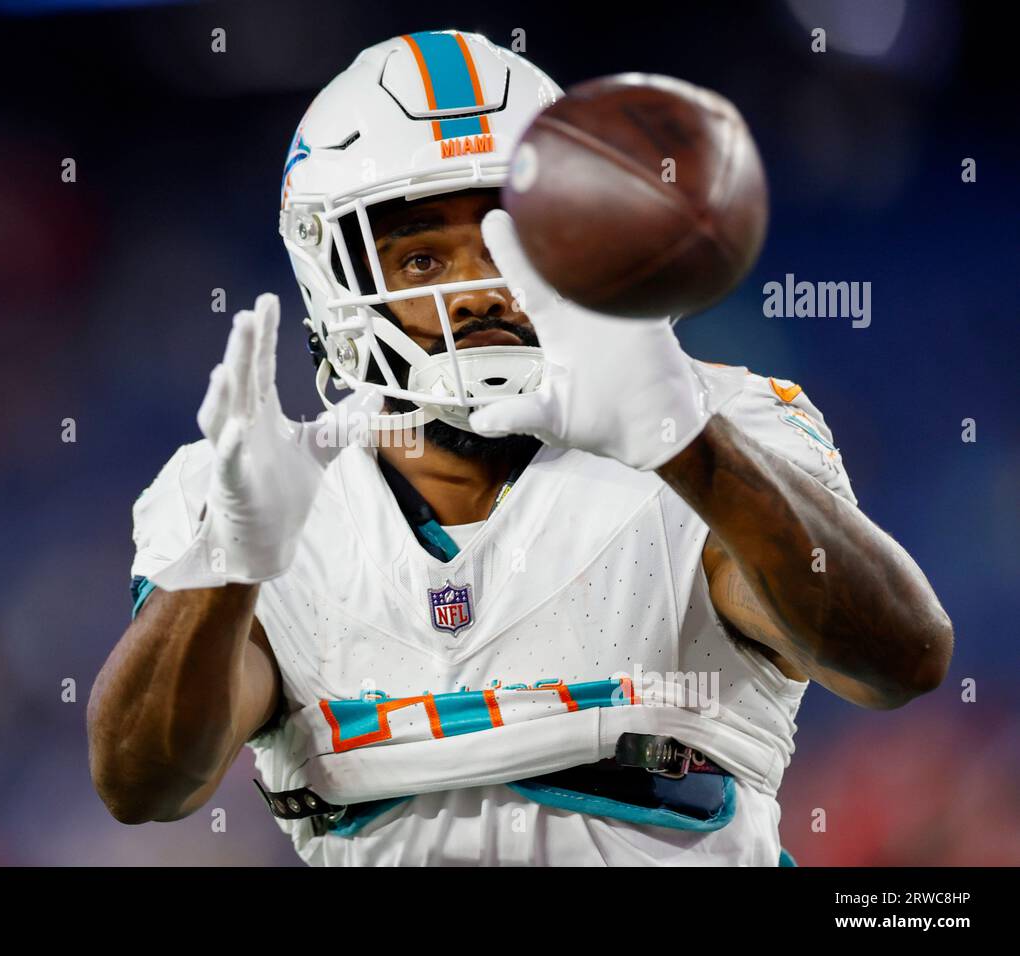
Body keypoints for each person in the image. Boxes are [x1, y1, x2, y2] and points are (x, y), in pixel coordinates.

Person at [86, 30, 953, 866]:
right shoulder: (243, 490)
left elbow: (898, 662)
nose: (478, 293)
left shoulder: (718, 430)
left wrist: (685, 443)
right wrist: (227, 562)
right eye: (424, 260)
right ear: (335, 277)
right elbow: (143, 784)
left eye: (514, 243)